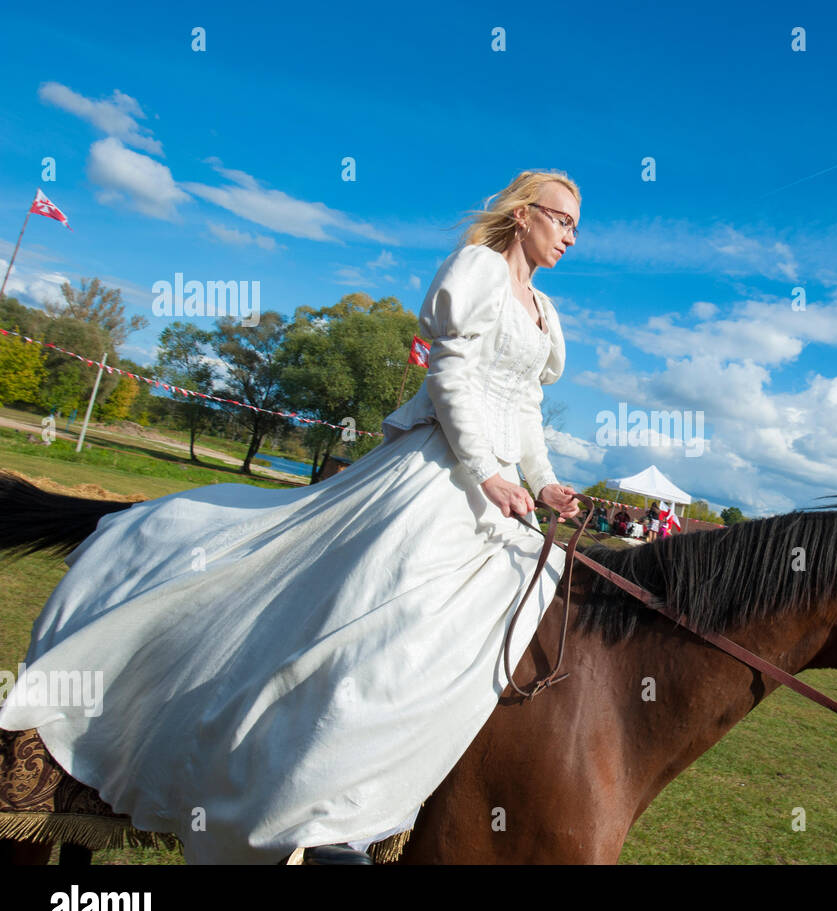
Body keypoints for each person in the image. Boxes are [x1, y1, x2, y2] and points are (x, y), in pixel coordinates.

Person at [0, 170, 584, 864]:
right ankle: (306, 803)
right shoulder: (477, 271)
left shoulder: (543, 312)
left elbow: (524, 410)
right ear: (523, 215)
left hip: (499, 490)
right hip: (438, 470)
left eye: (577, 227)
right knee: (371, 621)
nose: (570, 237)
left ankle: (385, 797)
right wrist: (485, 472)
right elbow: (451, 375)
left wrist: (541, 483)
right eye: (562, 220)